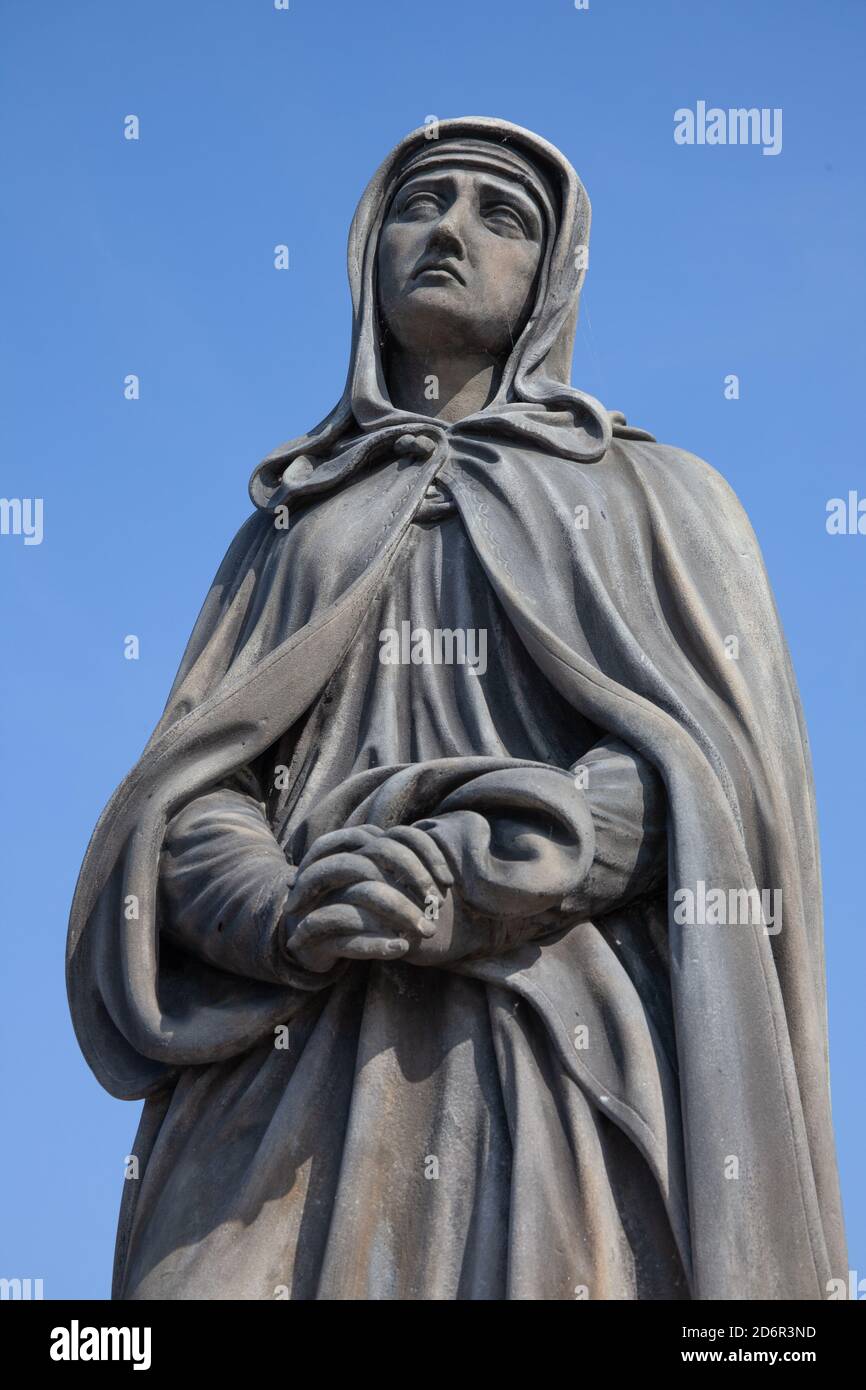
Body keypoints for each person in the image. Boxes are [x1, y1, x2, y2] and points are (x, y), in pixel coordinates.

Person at [68, 117, 846, 1300]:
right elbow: (188, 795)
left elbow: (705, 776)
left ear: (552, 274)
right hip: (284, 1048)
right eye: (421, 202)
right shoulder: (285, 528)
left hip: (546, 1043)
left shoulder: (654, 496)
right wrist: (275, 903)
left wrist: (479, 864)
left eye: (502, 215)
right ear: (365, 253)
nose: (449, 229)